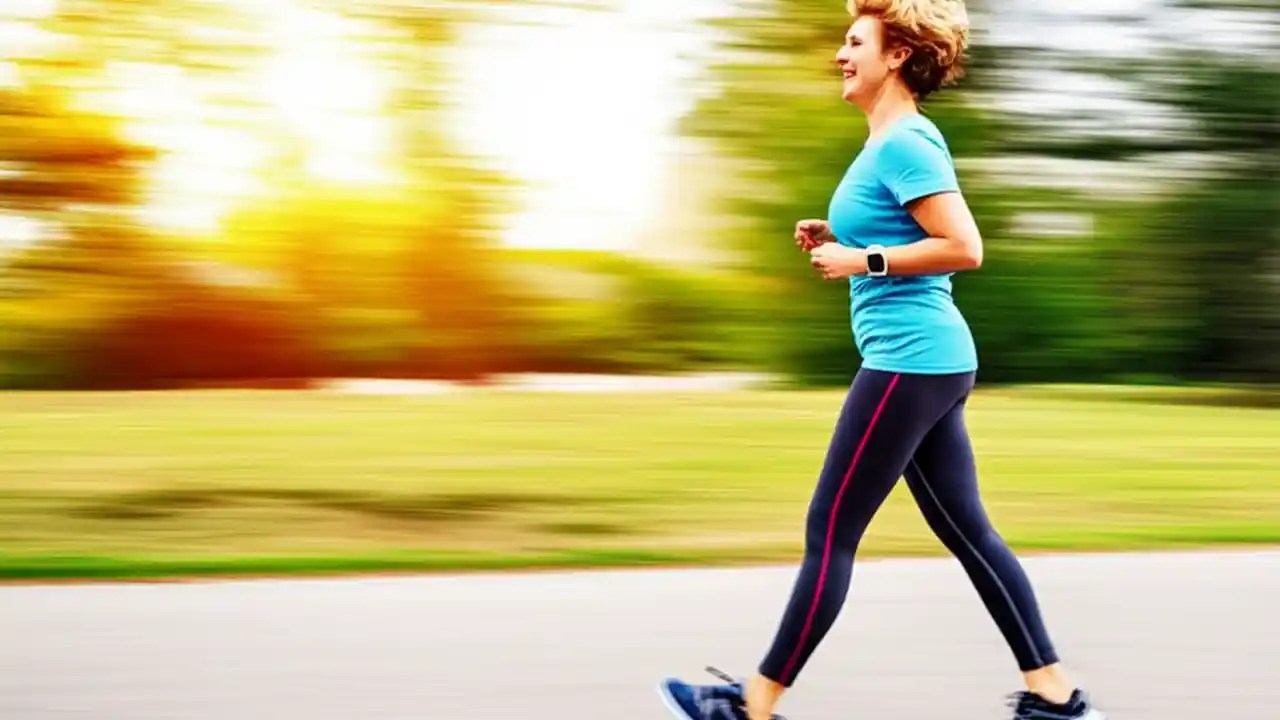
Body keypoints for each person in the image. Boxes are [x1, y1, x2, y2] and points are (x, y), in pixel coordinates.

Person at [657, 1, 1107, 719]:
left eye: (855, 41)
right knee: (968, 530)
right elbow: (907, 234)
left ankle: (752, 705)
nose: (841, 53)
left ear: (895, 56)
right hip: (930, 359)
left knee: (830, 531)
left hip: (911, 360)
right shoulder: (890, 144)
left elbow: (964, 246)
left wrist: (860, 258)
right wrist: (838, 234)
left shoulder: (906, 144)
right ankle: (1055, 694)